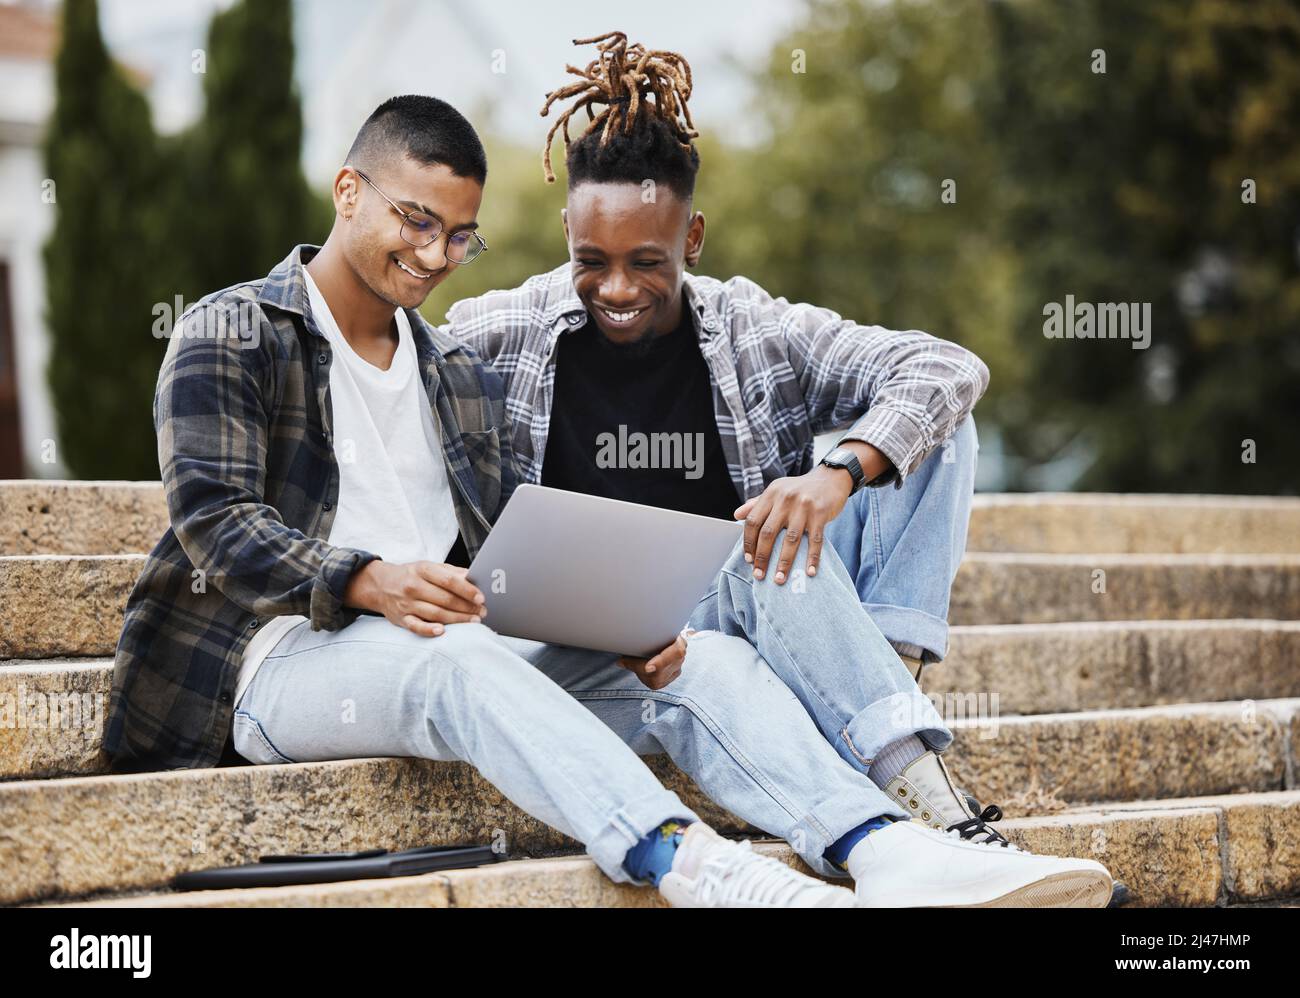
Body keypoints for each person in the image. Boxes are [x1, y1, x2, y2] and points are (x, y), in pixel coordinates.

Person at [105, 93, 1109, 908]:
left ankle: (884, 843)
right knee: (445, 650)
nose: (433, 252)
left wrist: (617, 624)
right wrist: (365, 577)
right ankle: (699, 865)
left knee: (700, 653)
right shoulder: (236, 329)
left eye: (458, 236)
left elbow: (504, 548)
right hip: (277, 662)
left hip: (452, 640)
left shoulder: (446, 365)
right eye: (415, 219)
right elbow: (214, 522)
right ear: (347, 190)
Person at [443, 31, 1116, 902]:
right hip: (595, 652)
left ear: (693, 235)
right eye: (592, 261)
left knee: (918, 439)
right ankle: (935, 805)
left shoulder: (752, 328)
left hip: (758, 605)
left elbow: (948, 367)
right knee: (758, 545)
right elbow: (375, 388)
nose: (615, 289)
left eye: (648, 262)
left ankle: (900, 739)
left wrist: (833, 473)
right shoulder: (495, 332)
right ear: (566, 230)